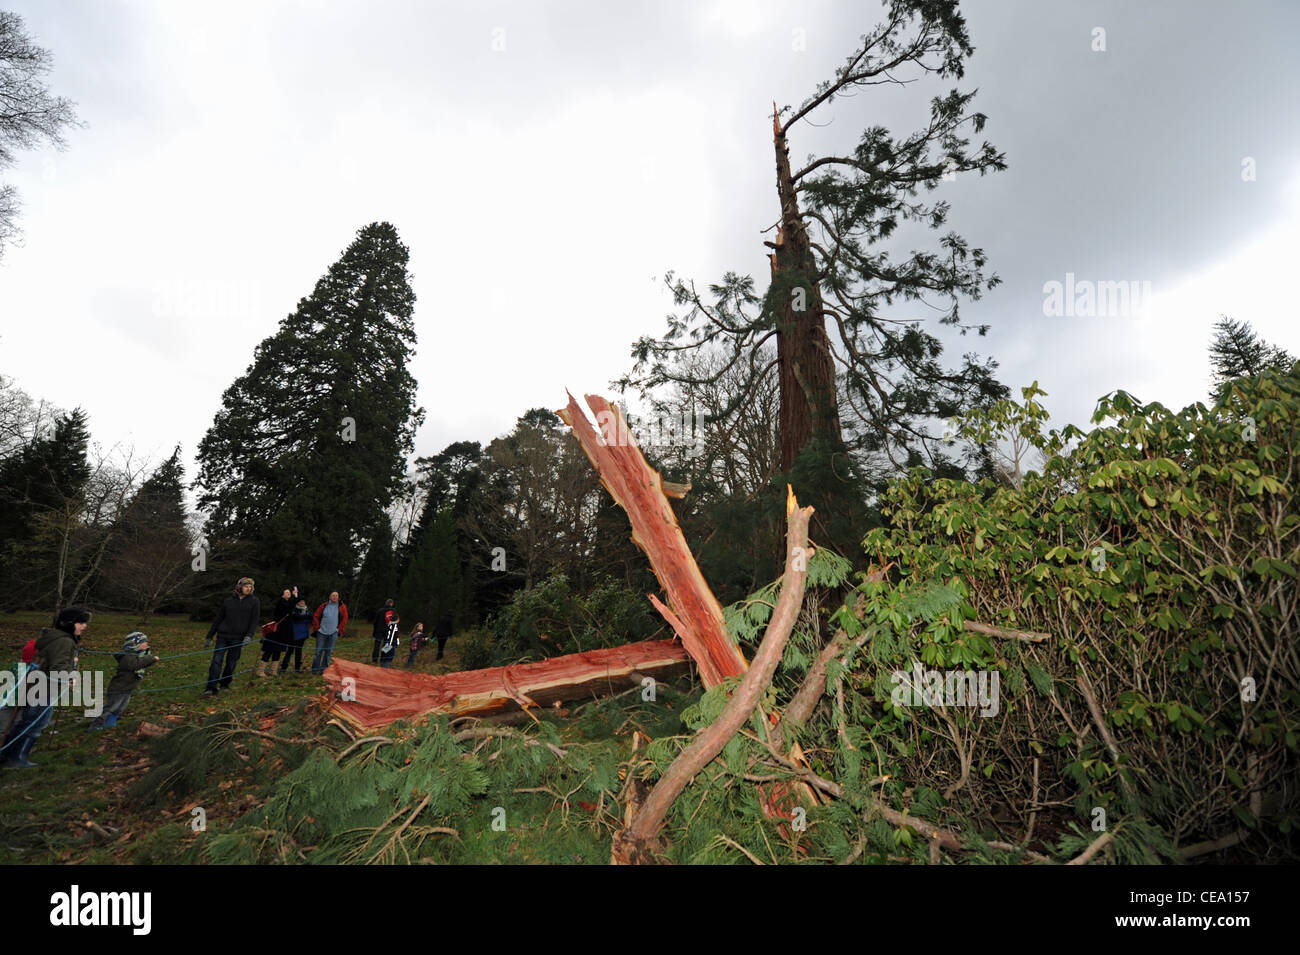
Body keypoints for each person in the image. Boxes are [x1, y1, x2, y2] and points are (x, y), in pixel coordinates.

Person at [1, 606, 91, 769]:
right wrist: (70, 677)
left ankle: (7, 754)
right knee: (36, 723)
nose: (84, 626)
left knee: (27, 721)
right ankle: (17, 758)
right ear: (68, 623)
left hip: (36, 686)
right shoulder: (64, 641)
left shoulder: (56, 638)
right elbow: (59, 667)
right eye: (80, 622)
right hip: (44, 689)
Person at [202, 577, 261, 696]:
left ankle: (225, 684)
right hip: (223, 636)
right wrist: (209, 636)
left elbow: (254, 621)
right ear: (239, 587)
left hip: (238, 638)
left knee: (231, 663)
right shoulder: (228, 601)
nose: (248, 589)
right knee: (216, 662)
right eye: (246, 586)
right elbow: (218, 619)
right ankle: (211, 687)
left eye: (250, 587)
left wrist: (249, 636)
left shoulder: (254, 602)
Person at [91, 632, 158, 730]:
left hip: (127, 688)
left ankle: (110, 723)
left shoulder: (137, 655)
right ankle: (97, 724)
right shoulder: (127, 657)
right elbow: (134, 665)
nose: (147, 643)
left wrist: (150, 659)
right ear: (135, 644)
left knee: (120, 708)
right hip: (119, 688)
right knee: (111, 707)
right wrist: (150, 658)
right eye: (144, 641)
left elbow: (141, 663)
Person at [258, 588, 295, 677]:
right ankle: (260, 671)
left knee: (278, 651)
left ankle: (273, 671)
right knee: (269, 650)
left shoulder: (289, 603)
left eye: (289, 592)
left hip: (283, 633)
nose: (289, 594)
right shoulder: (281, 602)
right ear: (282, 594)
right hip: (275, 632)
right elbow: (288, 608)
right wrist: (295, 597)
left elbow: (291, 610)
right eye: (286, 592)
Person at [311, 591, 348, 675]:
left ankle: (324, 670)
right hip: (322, 632)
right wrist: (317, 628)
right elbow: (316, 616)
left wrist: (339, 629)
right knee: (318, 652)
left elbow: (345, 618)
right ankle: (315, 670)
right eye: (333, 595)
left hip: (333, 633)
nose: (335, 597)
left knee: (328, 652)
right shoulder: (323, 606)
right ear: (329, 597)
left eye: (336, 595)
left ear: (338, 597)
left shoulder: (342, 607)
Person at [279, 598, 313, 674]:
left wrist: (304, 619)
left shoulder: (308, 612)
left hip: (303, 635)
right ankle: (283, 669)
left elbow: (311, 618)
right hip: (293, 634)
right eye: (300, 602)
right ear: (297, 603)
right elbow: (297, 618)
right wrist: (304, 619)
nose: (302, 603)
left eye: (303, 601)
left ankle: (297, 669)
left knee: (299, 652)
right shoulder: (294, 611)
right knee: (289, 651)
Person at [370, 598, 396, 664]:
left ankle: (374, 660)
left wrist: (374, 632)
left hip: (379, 630)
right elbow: (395, 622)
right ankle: (383, 659)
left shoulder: (380, 610)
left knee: (377, 645)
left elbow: (375, 622)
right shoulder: (393, 611)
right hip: (388, 631)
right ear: (391, 604)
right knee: (387, 645)